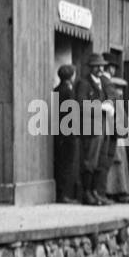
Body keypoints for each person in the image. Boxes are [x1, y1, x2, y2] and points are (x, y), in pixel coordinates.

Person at [77, 51, 113, 205]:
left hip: (103, 127)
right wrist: (101, 108)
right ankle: (87, 194)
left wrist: (110, 105)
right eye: (97, 66)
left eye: (102, 66)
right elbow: (81, 105)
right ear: (91, 68)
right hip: (90, 128)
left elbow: (111, 97)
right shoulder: (84, 84)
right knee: (89, 161)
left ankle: (95, 192)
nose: (100, 69)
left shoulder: (102, 83)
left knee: (100, 161)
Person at [52, 63, 81, 203]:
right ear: (71, 77)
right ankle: (63, 194)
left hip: (59, 132)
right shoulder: (69, 91)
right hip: (68, 132)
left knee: (60, 162)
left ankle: (61, 193)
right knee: (67, 163)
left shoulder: (56, 90)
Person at [102, 72, 129, 201]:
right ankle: (116, 190)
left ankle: (119, 190)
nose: (120, 92)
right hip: (114, 132)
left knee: (118, 162)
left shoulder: (115, 100)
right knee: (116, 161)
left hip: (117, 132)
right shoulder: (113, 100)